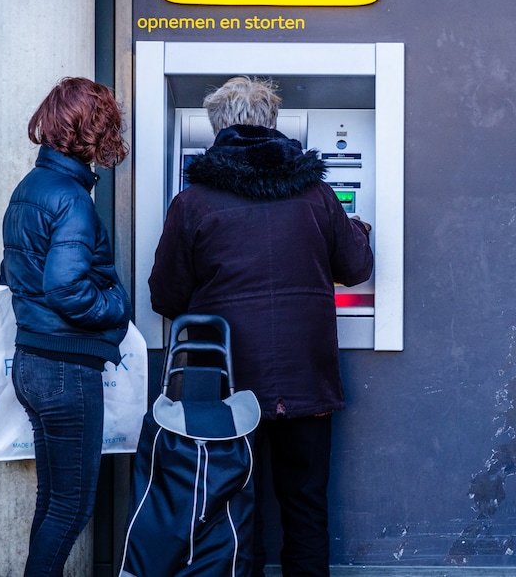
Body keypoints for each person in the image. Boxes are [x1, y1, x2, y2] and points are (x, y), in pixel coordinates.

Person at [148, 76, 374, 576]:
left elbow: (164, 296)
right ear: (273, 122)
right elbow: (356, 267)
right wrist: (357, 230)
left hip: (230, 386)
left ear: (214, 128)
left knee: (234, 511)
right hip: (306, 379)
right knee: (307, 510)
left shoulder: (194, 202)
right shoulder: (316, 194)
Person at [1, 76, 131, 576]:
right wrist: (115, 305)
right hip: (64, 368)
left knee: (53, 501)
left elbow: (13, 273)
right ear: (95, 129)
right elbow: (66, 288)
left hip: (33, 362)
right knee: (72, 506)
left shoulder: (30, 189)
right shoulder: (73, 199)